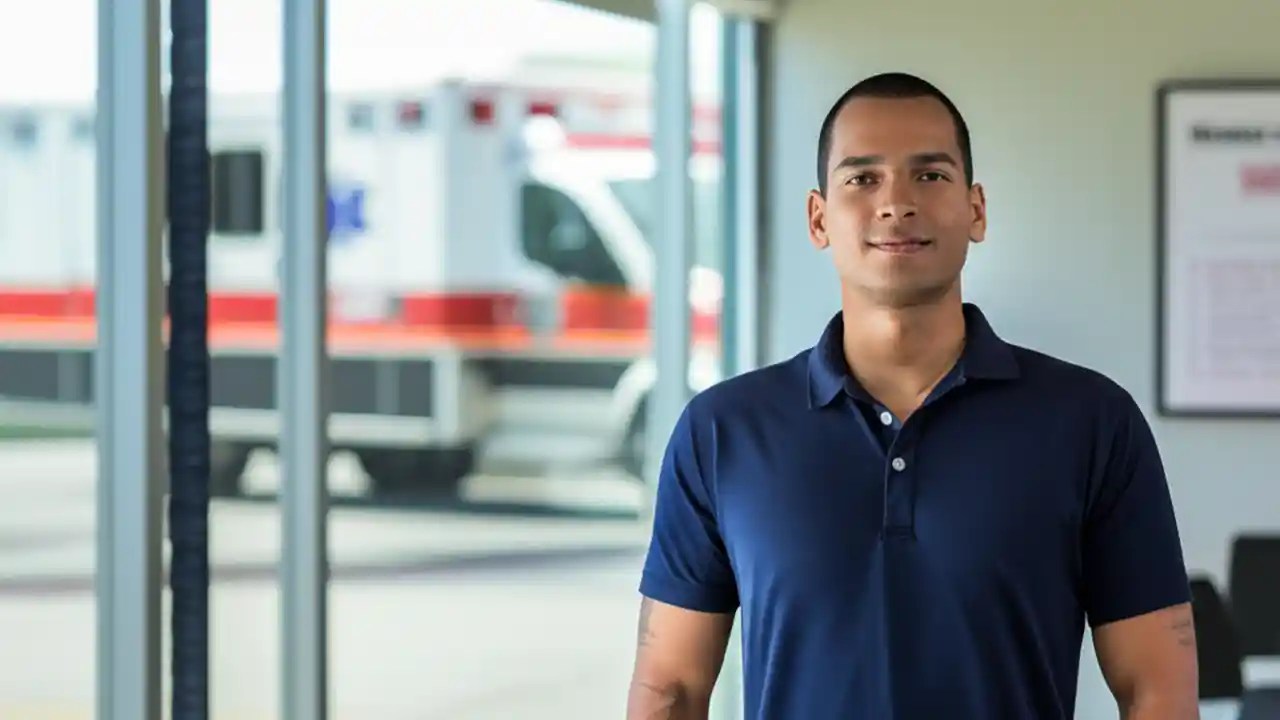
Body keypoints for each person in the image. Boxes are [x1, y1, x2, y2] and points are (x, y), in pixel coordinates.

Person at [626, 72, 1198, 719]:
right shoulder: (722, 431)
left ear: (976, 210)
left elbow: (1159, 693)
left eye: (929, 176)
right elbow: (669, 690)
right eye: (862, 179)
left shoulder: (1093, 423)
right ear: (819, 218)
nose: (896, 203)